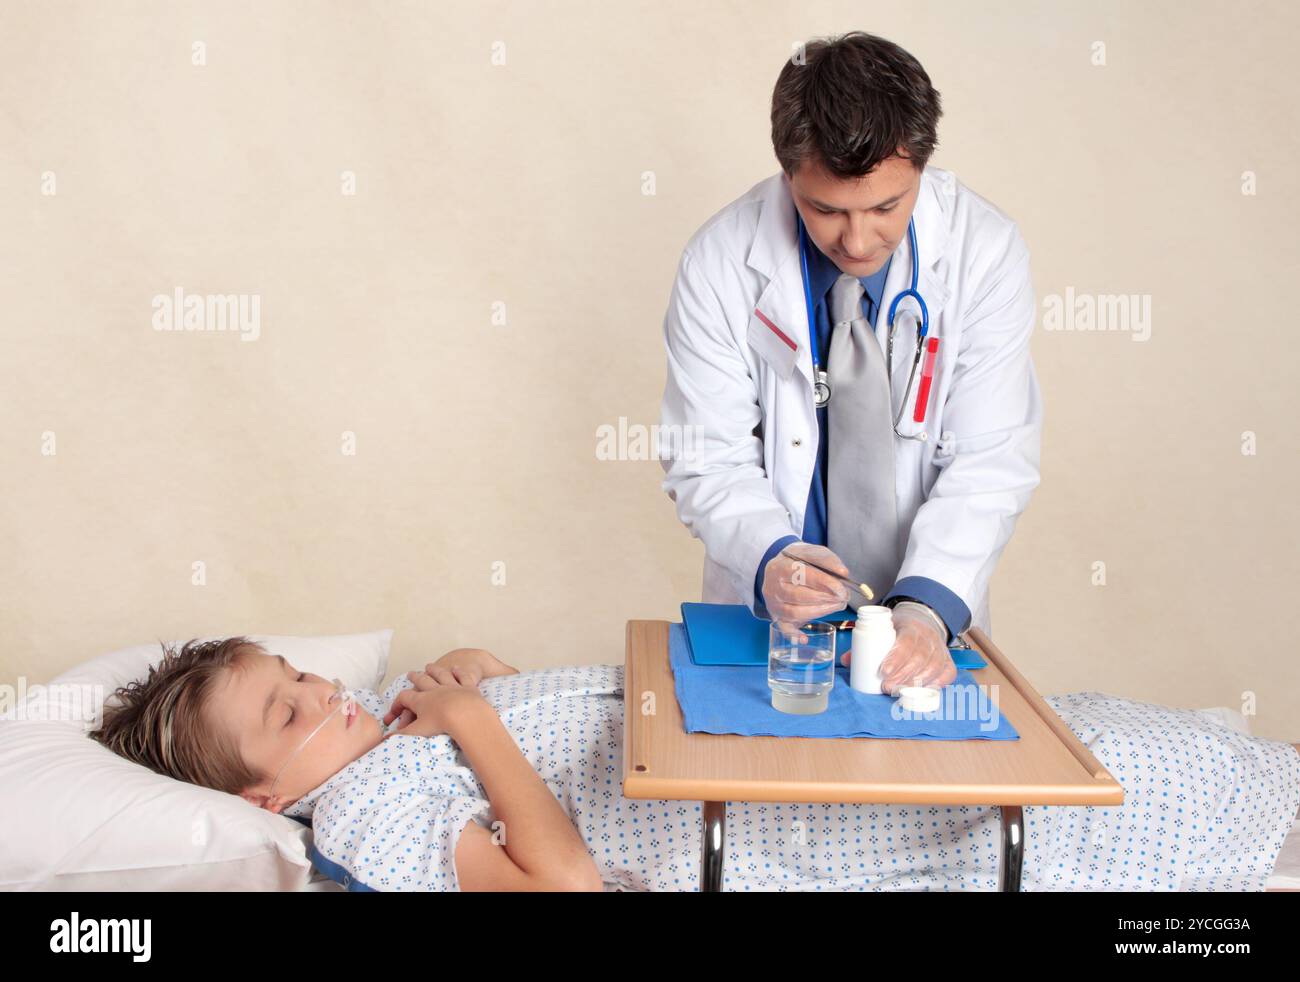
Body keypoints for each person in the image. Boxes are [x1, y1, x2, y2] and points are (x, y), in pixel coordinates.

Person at [90, 637, 1300, 891]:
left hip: (710, 737)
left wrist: (478, 682)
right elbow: (561, 891)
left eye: (301, 671)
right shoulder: (366, 816)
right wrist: (472, 723)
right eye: (291, 710)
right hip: (734, 821)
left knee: (1080, 723)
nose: (325, 690)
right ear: (267, 797)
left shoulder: (389, 750)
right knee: (1092, 784)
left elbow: (523, 751)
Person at [659, 31, 1043, 695]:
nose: (858, 240)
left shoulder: (984, 252)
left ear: (921, 167)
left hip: (926, 620)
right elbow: (707, 456)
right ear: (789, 174)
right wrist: (769, 559)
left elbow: (990, 459)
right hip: (770, 632)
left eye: (886, 207)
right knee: (751, 781)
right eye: (825, 210)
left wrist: (926, 610)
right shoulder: (720, 261)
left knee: (926, 793)